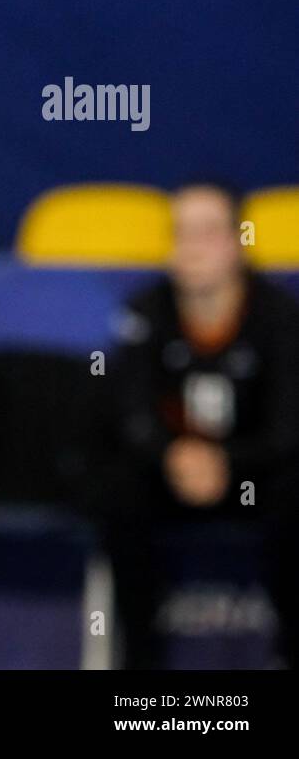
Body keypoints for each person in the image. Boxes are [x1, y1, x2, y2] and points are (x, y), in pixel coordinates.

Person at [106, 179, 299, 668]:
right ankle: (140, 665)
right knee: (119, 488)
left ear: (239, 242)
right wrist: (174, 456)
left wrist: (226, 461)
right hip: (172, 476)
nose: (192, 247)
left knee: (295, 492)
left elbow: (288, 427)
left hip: (254, 476)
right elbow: (130, 414)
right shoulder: (144, 312)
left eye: (208, 232)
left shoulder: (280, 317)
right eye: (181, 232)